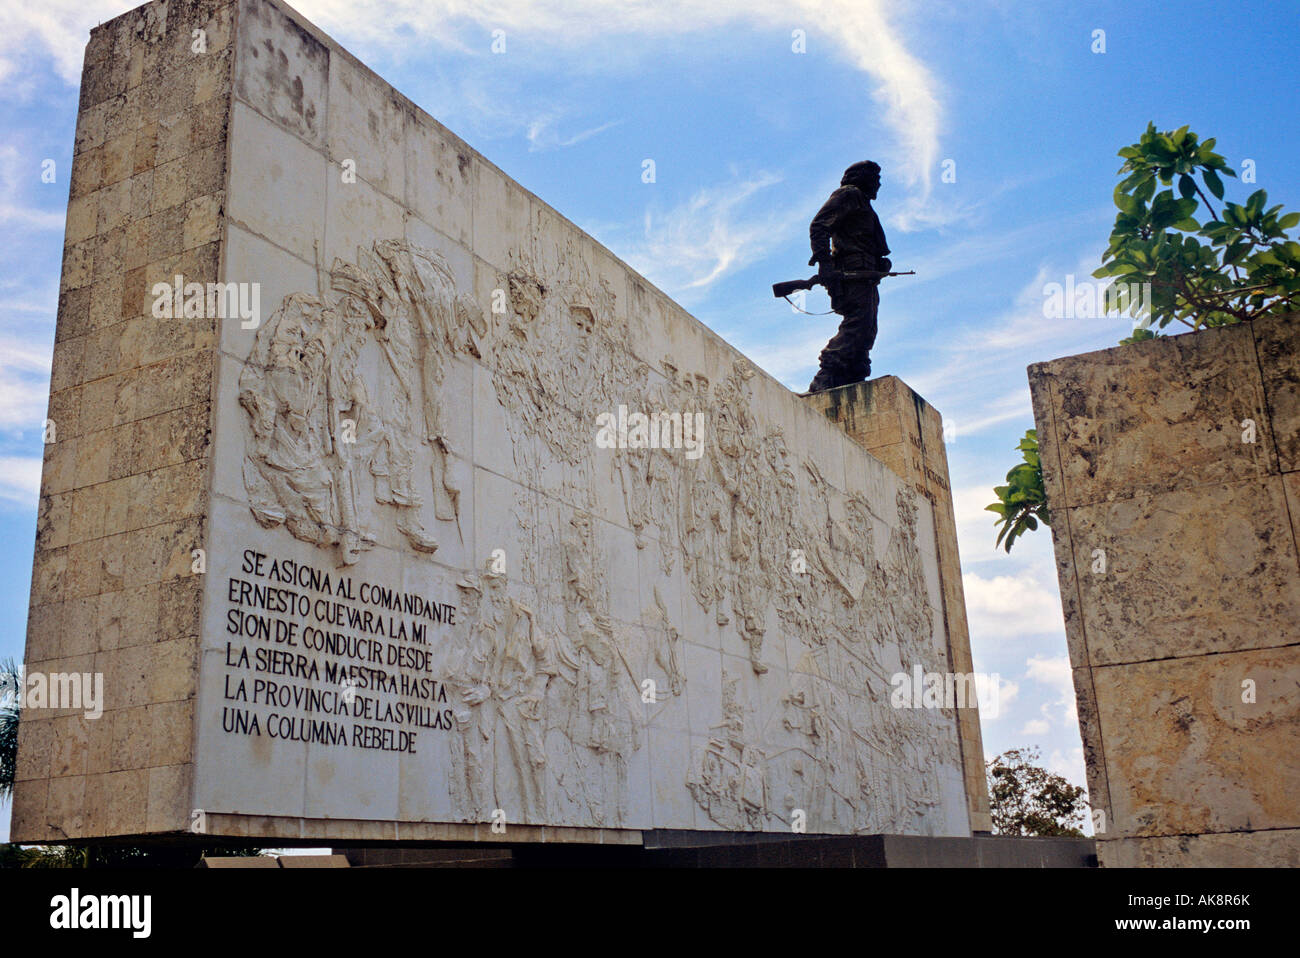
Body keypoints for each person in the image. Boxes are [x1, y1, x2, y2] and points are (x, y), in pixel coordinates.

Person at [806, 160, 892, 393]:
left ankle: (852, 377)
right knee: (857, 326)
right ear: (861, 177)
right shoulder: (849, 195)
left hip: (866, 277)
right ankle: (824, 379)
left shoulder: (862, 202)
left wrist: (880, 263)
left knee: (867, 330)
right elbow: (819, 226)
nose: (879, 183)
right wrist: (824, 263)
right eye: (876, 178)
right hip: (850, 274)